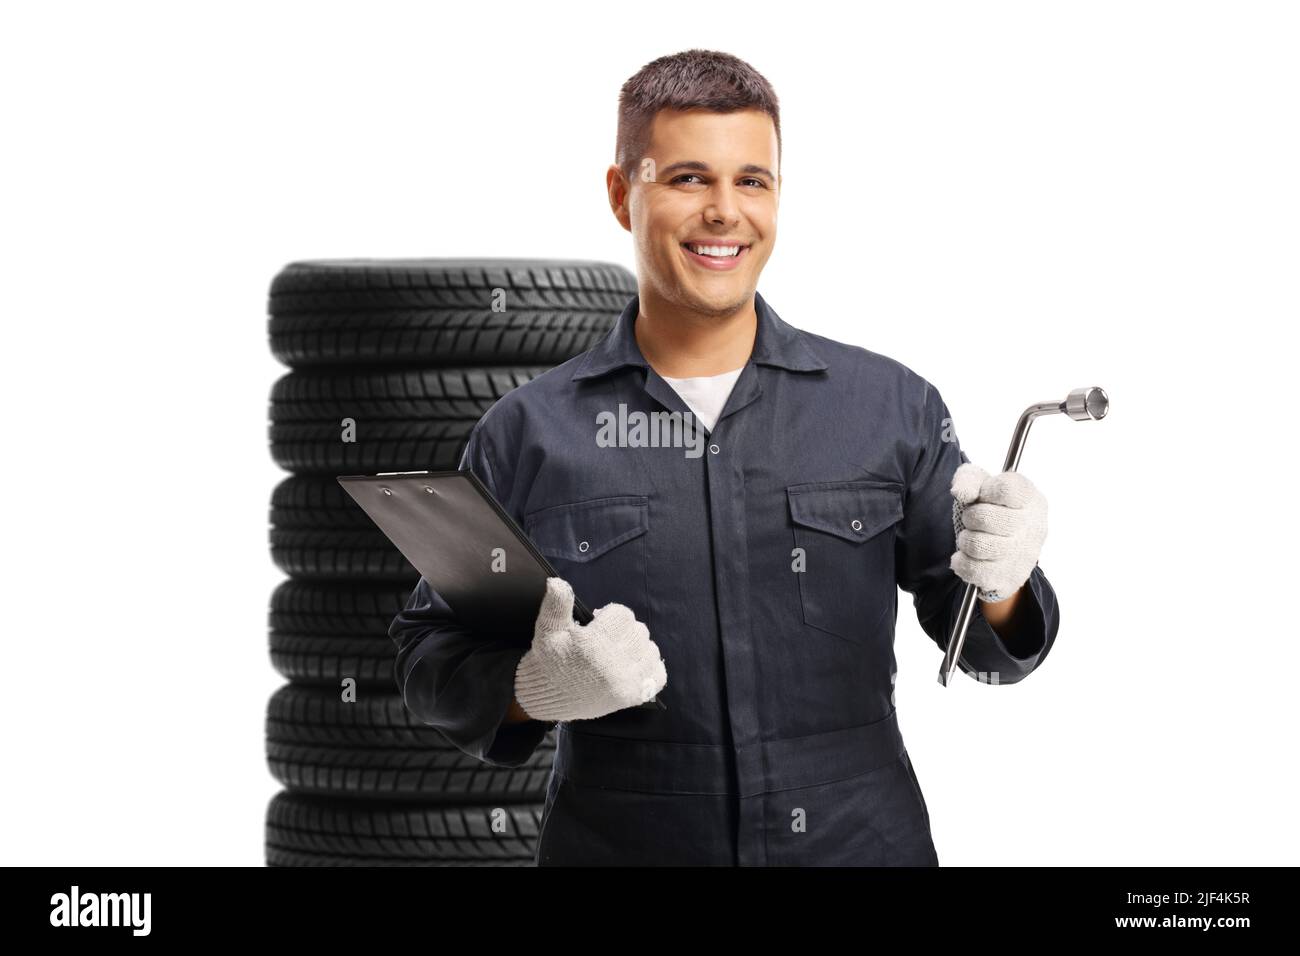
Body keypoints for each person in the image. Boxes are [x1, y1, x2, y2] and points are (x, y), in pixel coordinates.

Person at [388, 48, 1059, 866]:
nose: (724, 213)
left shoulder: (890, 407)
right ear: (619, 195)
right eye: (687, 179)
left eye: (752, 181)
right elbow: (432, 652)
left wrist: (1004, 579)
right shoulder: (526, 434)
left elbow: (984, 648)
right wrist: (533, 689)